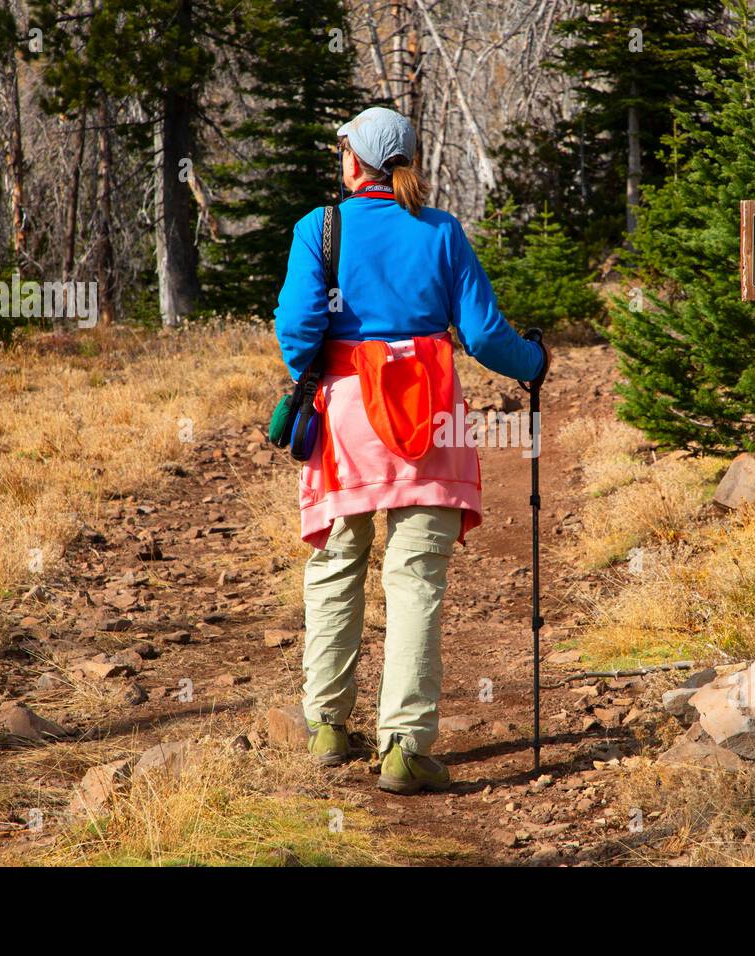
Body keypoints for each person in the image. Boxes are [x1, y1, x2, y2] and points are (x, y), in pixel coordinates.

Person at [273, 106, 549, 795]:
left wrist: (331, 362)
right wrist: (534, 363)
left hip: (346, 423)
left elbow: (298, 332)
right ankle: (404, 747)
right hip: (431, 420)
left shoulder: (320, 229)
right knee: (416, 578)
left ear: (353, 161)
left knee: (337, 567)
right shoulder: (441, 231)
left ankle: (328, 728)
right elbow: (484, 336)